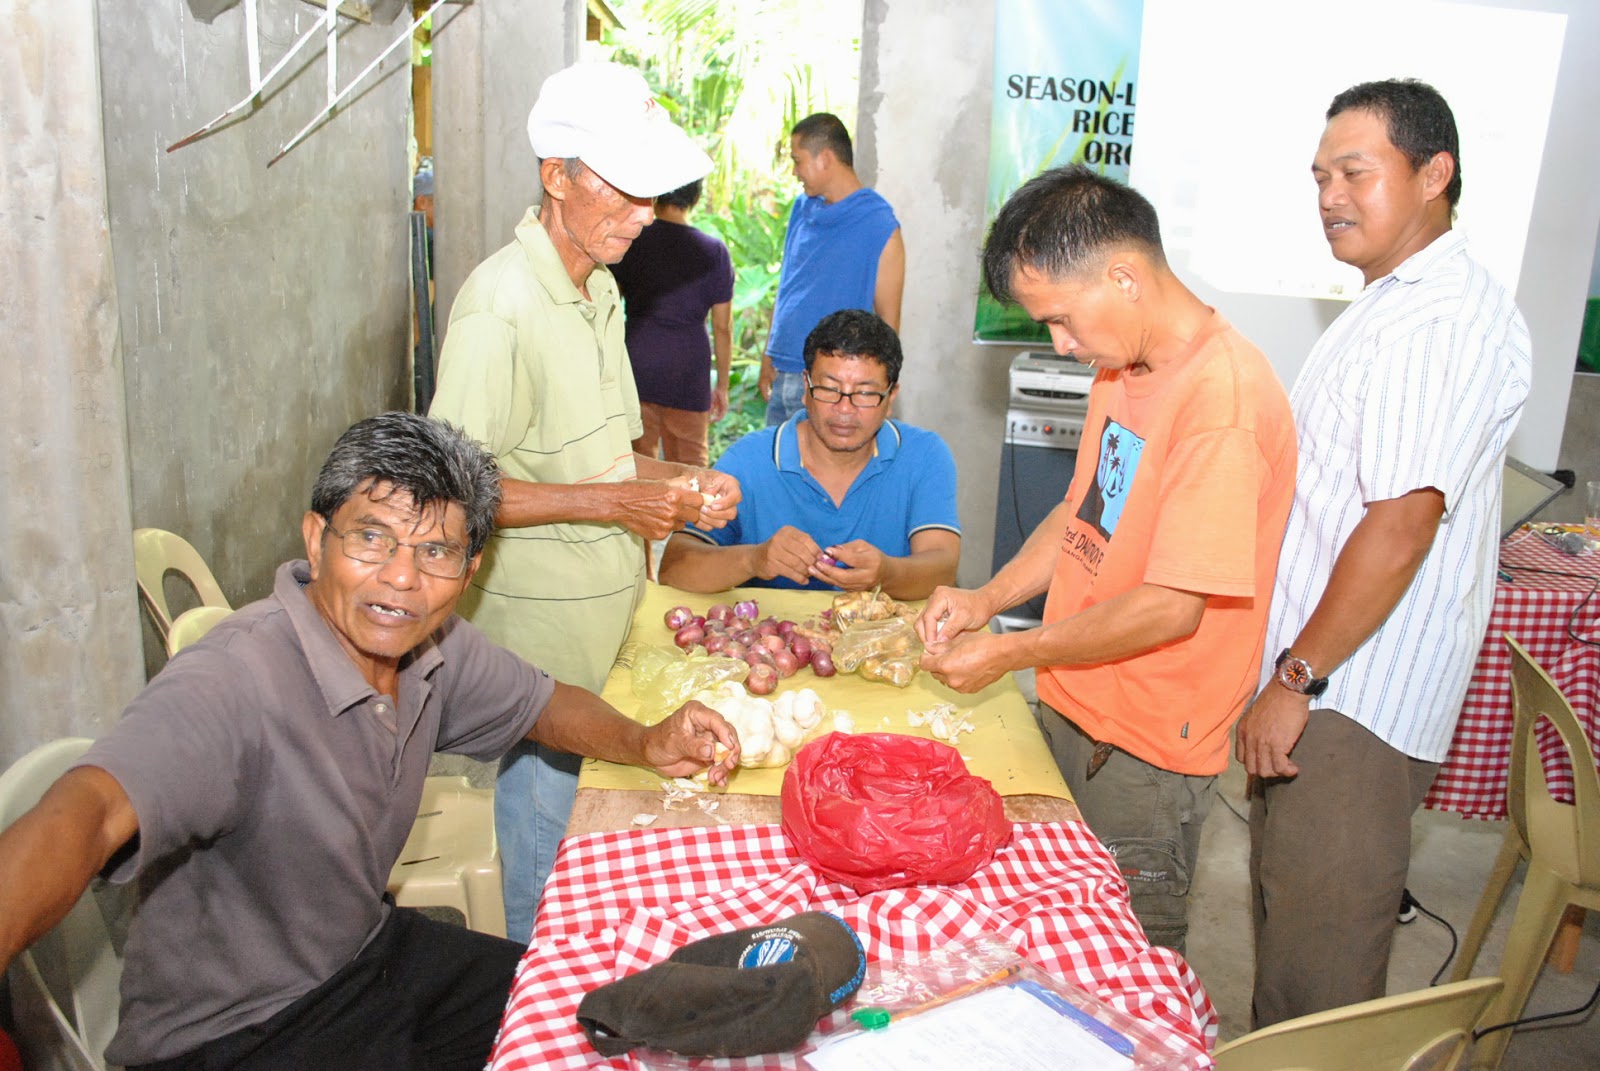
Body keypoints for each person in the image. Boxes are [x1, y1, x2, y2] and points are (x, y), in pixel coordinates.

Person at [0, 412, 740, 1071]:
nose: (400, 578)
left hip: (369, 956)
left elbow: (544, 703)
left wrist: (644, 740)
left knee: (589, 1009)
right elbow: (89, 810)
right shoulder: (236, 678)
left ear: (468, 568)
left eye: (435, 551)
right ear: (317, 537)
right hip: (238, 1034)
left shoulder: (429, 644)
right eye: (372, 537)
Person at [916, 166, 1296, 953]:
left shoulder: (1220, 400)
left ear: (1123, 275)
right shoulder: (1123, 368)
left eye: (1060, 318)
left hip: (1143, 743)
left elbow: (1171, 605)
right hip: (1075, 699)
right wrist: (986, 600)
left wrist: (1013, 650)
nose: (1061, 343)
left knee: (1126, 955)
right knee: (1054, 923)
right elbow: (1082, 513)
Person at [1236, 79, 1531, 1027]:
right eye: (1320, 175)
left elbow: (1401, 521)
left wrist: (1297, 674)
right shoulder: (1390, 302)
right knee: (1290, 940)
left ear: (1434, 173)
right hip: (1333, 685)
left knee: (1320, 979)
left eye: (1355, 173)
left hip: (1351, 699)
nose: (1329, 195)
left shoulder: (1437, 318)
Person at [427, 62, 743, 944]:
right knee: (545, 893)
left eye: (653, 191)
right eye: (625, 188)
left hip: (606, 629)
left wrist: (669, 483)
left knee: (592, 865)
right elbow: (449, 493)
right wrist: (614, 501)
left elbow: (602, 451)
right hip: (542, 665)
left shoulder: (600, 288)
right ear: (556, 176)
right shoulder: (501, 304)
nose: (645, 212)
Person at [660, 309, 959, 599]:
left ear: (891, 396)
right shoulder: (749, 462)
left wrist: (888, 574)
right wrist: (753, 560)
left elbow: (943, 567)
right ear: (805, 386)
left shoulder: (923, 456)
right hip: (770, 644)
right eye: (829, 389)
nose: (844, 409)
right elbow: (674, 568)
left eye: (865, 393)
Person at [758, 113, 905, 426]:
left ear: (825, 158)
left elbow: (889, 326)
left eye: (798, 161)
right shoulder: (801, 208)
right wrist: (768, 356)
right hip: (784, 372)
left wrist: (869, 393)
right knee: (775, 472)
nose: (795, 172)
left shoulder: (879, 225)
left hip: (831, 388)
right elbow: (787, 287)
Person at [610, 178, 735, 467]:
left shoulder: (632, 241)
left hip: (637, 366)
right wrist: (723, 386)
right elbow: (722, 328)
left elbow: (609, 306)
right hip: (688, 374)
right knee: (690, 474)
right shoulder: (713, 252)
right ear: (696, 196)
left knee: (636, 469)